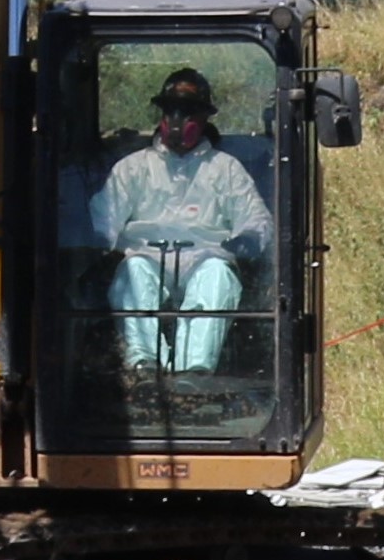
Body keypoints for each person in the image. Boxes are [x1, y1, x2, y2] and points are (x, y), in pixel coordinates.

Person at [91, 66, 269, 374]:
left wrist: (249, 236)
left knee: (216, 279)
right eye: (171, 110)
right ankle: (144, 366)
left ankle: (194, 372)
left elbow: (254, 216)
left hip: (206, 258)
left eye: (187, 112)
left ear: (203, 119)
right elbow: (103, 218)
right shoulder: (133, 168)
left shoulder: (225, 169)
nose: (177, 120)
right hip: (145, 258)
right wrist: (97, 242)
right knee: (133, 276)